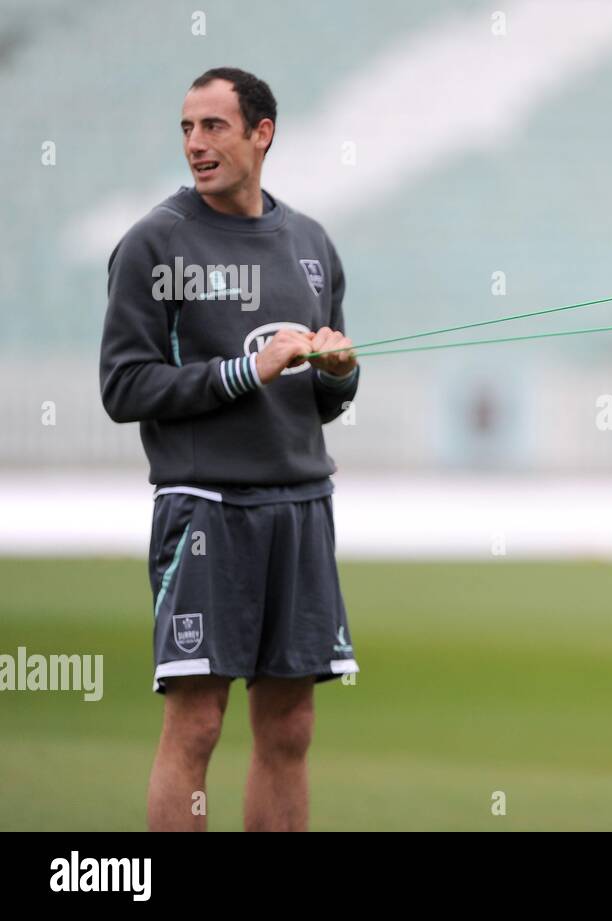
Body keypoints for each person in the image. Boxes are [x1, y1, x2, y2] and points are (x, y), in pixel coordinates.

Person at [99, 67, 361, 831]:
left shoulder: (311, 242)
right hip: (208, 508)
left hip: (302, 506)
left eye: (213, 126)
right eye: (186, 127)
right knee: (198, 725)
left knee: (290, 728)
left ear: (261, 133)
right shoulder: (156, 241)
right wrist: (248, 370)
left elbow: (321, 400)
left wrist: (340, 375)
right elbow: (124, 387)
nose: (195, 143)